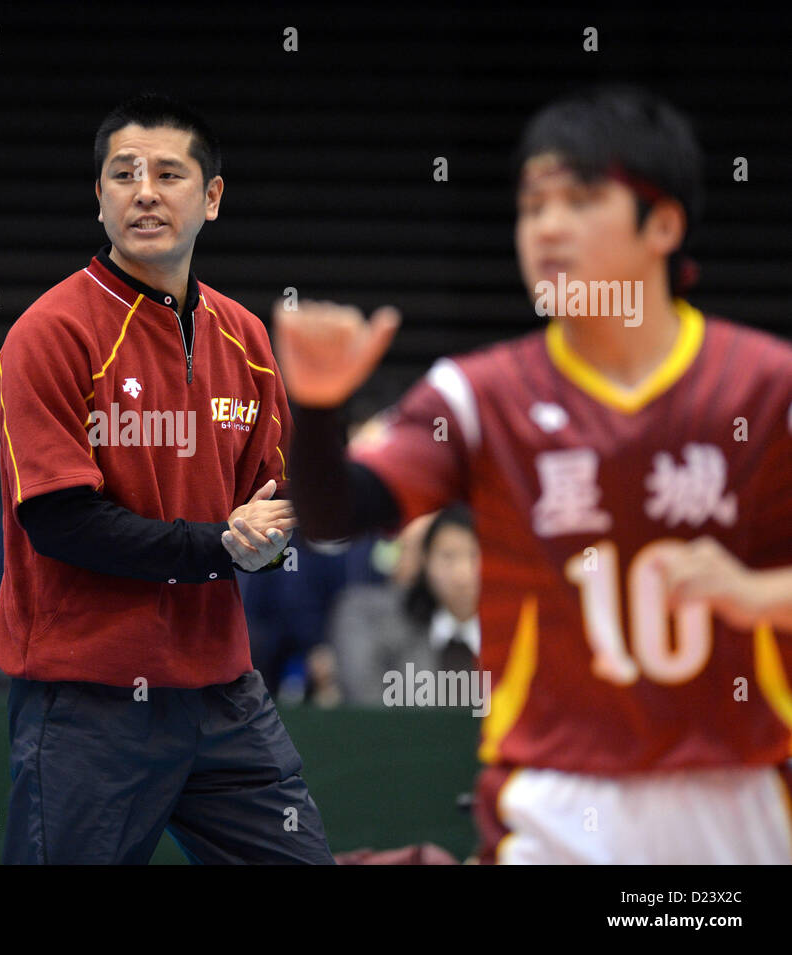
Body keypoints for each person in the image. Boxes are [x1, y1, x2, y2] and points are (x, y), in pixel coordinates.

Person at [279, 86, 792, 863]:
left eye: (580, 201)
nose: (546, 229)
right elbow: (332, 515)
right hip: (555, 799)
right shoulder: (481, 394)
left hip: (739, 791)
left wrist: (753, 594)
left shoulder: (765, 388)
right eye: (531, 206)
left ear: (664, 224)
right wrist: (316, 408)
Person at [0, 92, 332, 864]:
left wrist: (267, 538)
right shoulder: (48, 334)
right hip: (87, 701)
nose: (145, 191)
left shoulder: (245, 338)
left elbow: (271, 510)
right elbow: (62, 520)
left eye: (169, 173)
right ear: (100, 198)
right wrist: (223, 545)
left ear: (211, 197)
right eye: (123, 174)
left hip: (222, 693)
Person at [328, 505, 481, 705]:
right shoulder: (383, 625)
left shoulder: (522, 633)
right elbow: (371, 711)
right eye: (448, 557)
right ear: (425, 561)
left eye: (475, 555)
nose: (462, 574)